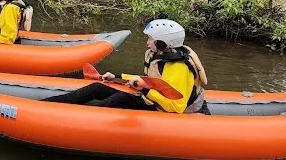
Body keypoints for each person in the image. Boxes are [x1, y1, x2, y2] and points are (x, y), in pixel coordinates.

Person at [44, 19, 210, 114]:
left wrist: (144, 90)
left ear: (162, 43)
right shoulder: (160, 56)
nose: (147, 43)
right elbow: (153, 81)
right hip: (152, 97)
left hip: (165, 108)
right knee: (97, 88)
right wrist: (116, 77)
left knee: (118, 99)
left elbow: (176, 107)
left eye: (150, 39)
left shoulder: (179, 67)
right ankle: (45, 106)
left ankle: (72, 118)